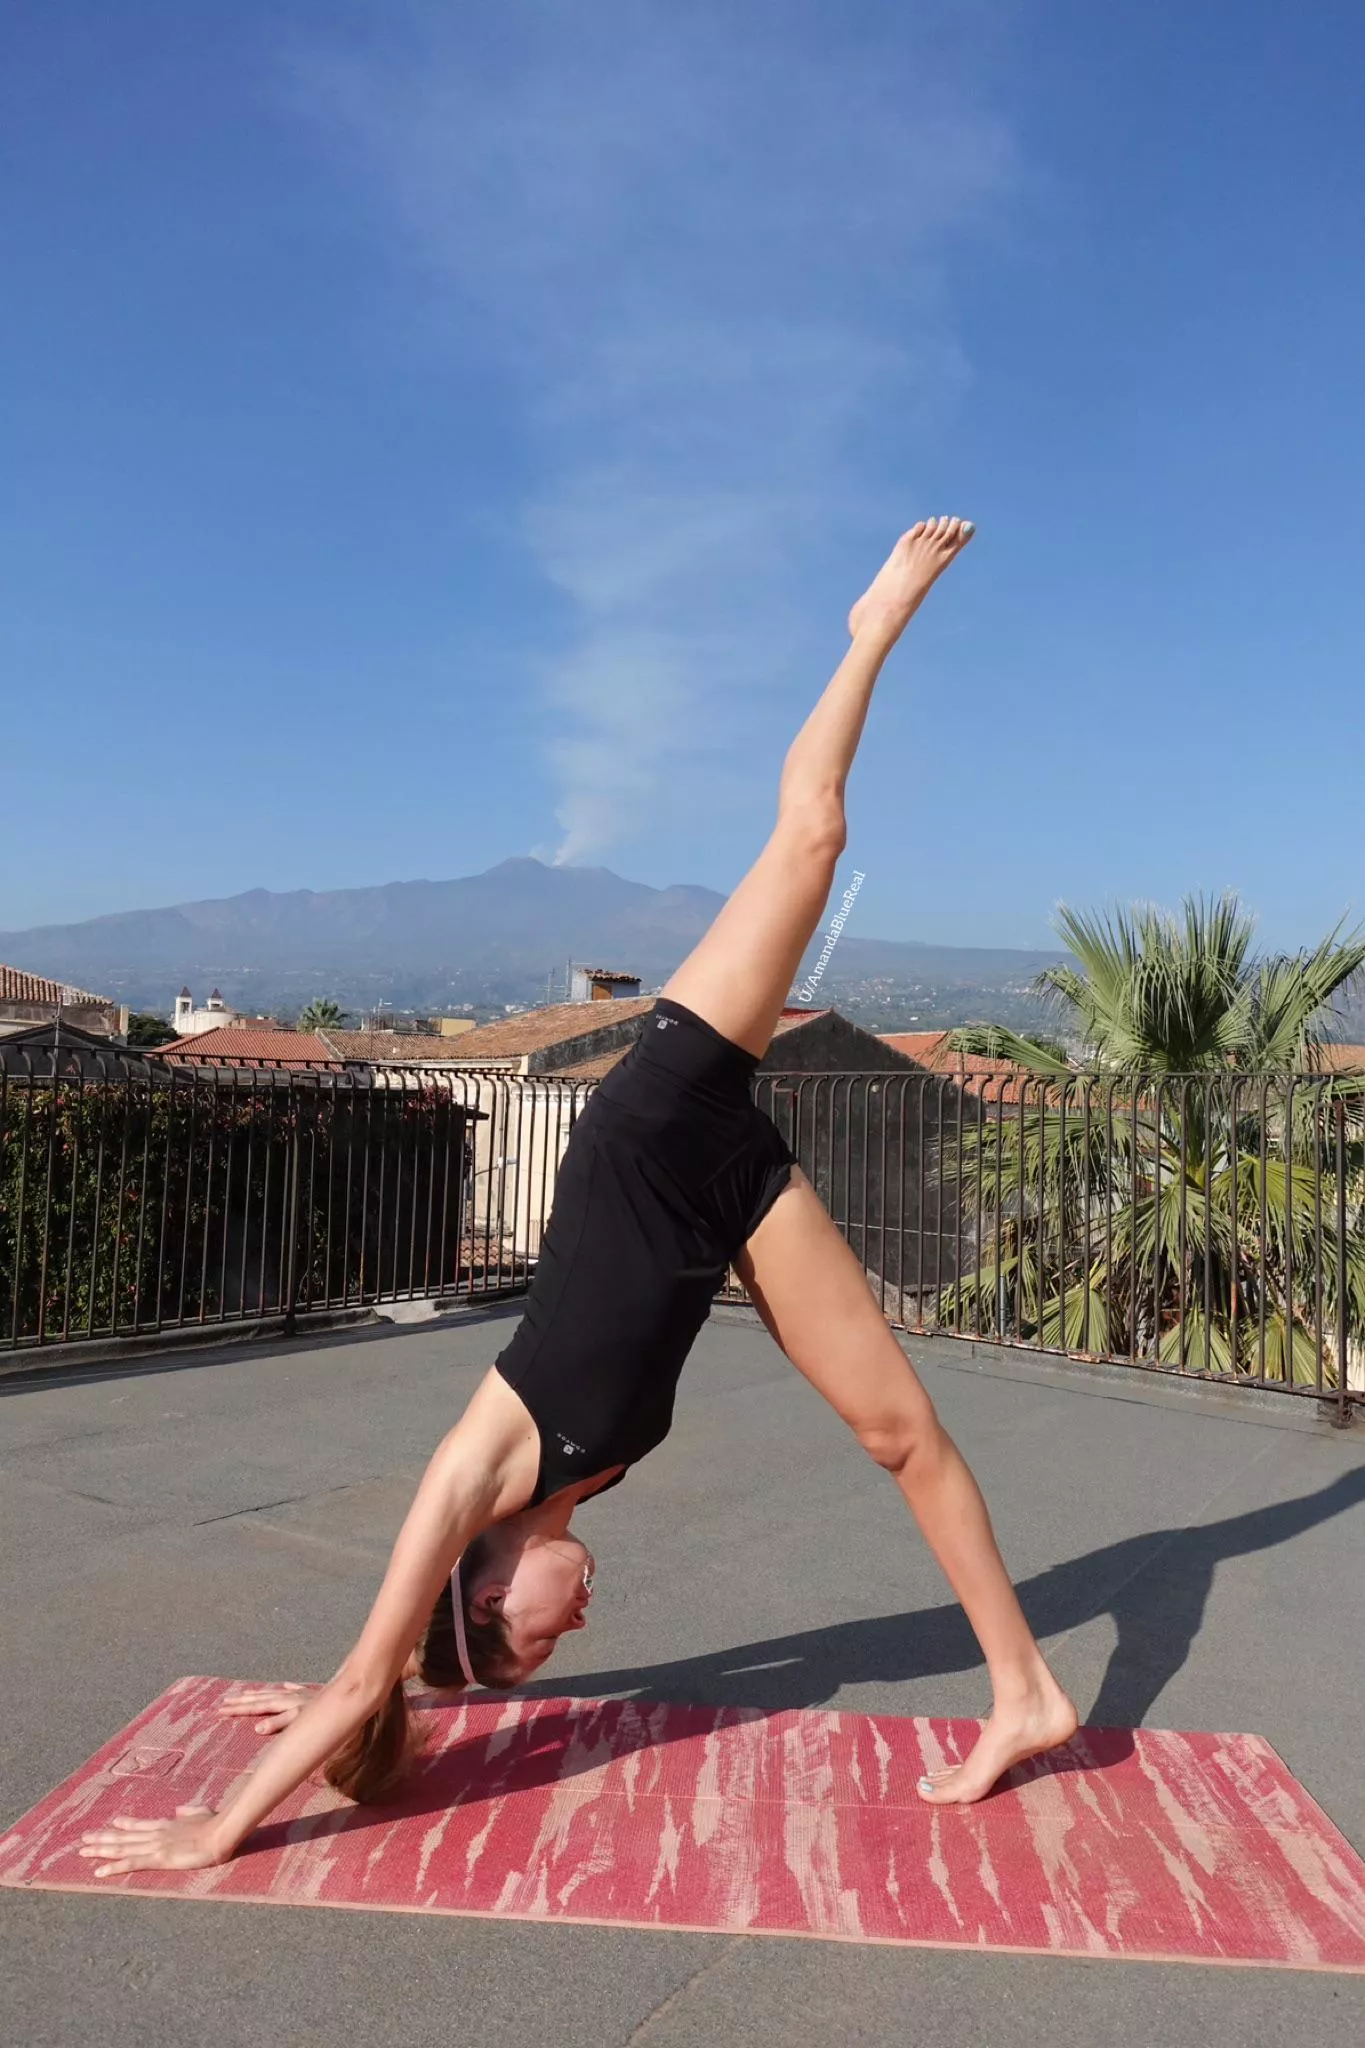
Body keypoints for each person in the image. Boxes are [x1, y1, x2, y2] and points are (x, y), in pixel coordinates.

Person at [80, 518, 1077, 1879]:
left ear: (484, 1589)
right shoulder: (547, 1512)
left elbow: (380, 1658)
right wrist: (361, 1705)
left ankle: (870, 632)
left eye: (543, 1631)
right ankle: (1028, 1692)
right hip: (721, 1196)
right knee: (905, 1439)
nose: (577, 1626)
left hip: (655, 1120)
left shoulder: (473, 1477)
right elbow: (398, 1673)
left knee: (813, 834)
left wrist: (229, 1818)